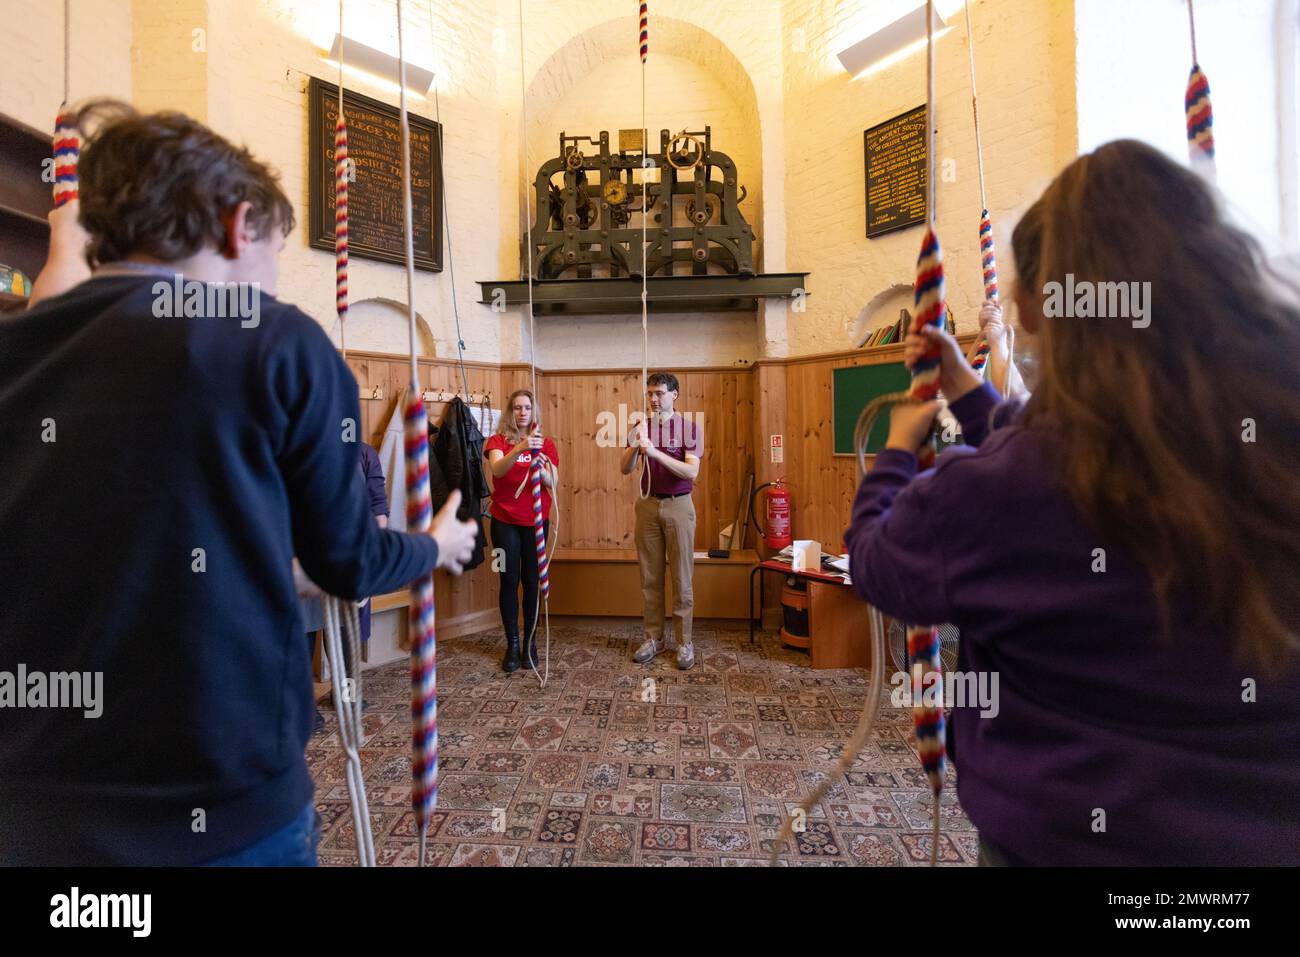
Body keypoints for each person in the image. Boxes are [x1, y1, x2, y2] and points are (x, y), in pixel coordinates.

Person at [0, 100, 478, 866]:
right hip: (223, 810)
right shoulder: (277, 343)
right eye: (276, 253)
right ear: (238, 223)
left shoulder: (19, 350)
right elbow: (346, 563)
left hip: (37, 817)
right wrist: (433, 543)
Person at [844, 139, 1300, 865]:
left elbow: (877, 563)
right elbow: (1071, 458)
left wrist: (899, 449)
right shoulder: (1269, 432)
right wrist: (976, 397)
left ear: (1027, 307)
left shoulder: (996, 488)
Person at [620, 372, 702, 670]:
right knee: (650, 578)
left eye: (660, 393)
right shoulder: (641, 427)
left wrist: (655, 452)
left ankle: (684, 642)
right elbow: (625, 469)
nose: (653, 399)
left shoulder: (689, 429)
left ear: (674, 395)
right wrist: (635, 444)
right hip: (647, 504)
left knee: (682, 578)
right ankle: (654, 638)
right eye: (650, 393)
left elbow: (691, 472)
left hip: (679, 506)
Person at [483, 390, 558, 672]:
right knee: (508, 579)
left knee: (531, 582)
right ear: (510, 411)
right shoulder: (498, 442)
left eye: (527, 407)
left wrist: (541, 465)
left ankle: (530, 643)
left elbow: (553, 482)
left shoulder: (546, 444)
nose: (523, 412)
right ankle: (512, 644)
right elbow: (499, 469)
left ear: (533, 411)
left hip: (536, 523)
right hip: (504, 523)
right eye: (517, 407)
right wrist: (520, 449)